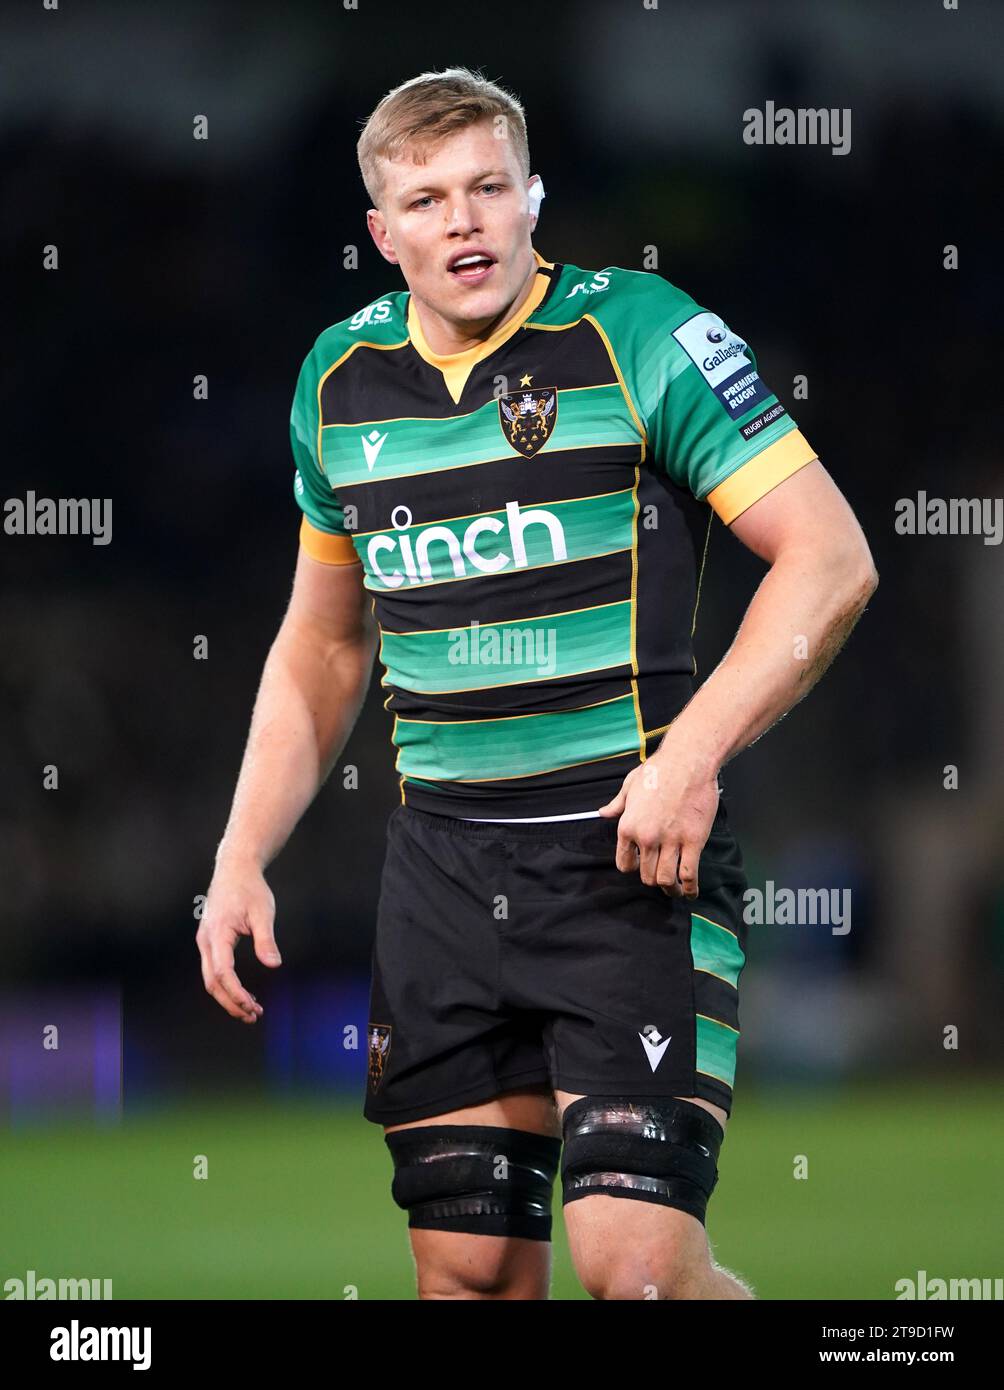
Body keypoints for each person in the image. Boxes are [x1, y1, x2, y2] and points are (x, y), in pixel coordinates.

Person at [197, 66, 878, 1300]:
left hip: (626, 863)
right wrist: (241, 853)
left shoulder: (639, 335)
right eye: (426, 199)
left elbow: (829, 559)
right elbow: (323, 645)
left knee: (640, 1272)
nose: (461, 220)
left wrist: (690, 757)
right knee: (467, 1273)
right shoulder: (335, 384)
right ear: (380, 231)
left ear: (531, 198)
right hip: (444, 878)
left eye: (487, 188)